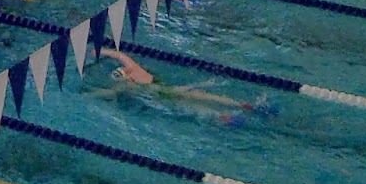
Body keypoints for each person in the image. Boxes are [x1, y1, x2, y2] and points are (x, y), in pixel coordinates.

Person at [97, 51, 272, 123]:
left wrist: (88, 94)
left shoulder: (127, 87)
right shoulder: (138, 73)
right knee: (202, 98)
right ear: (127, 74)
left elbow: (108, 91)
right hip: (170, 91)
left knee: (195, 106)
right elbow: (120, 55)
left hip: (161, 98)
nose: (126, 68)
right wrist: (104, 51)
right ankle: (243, 106)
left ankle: (228, 117)